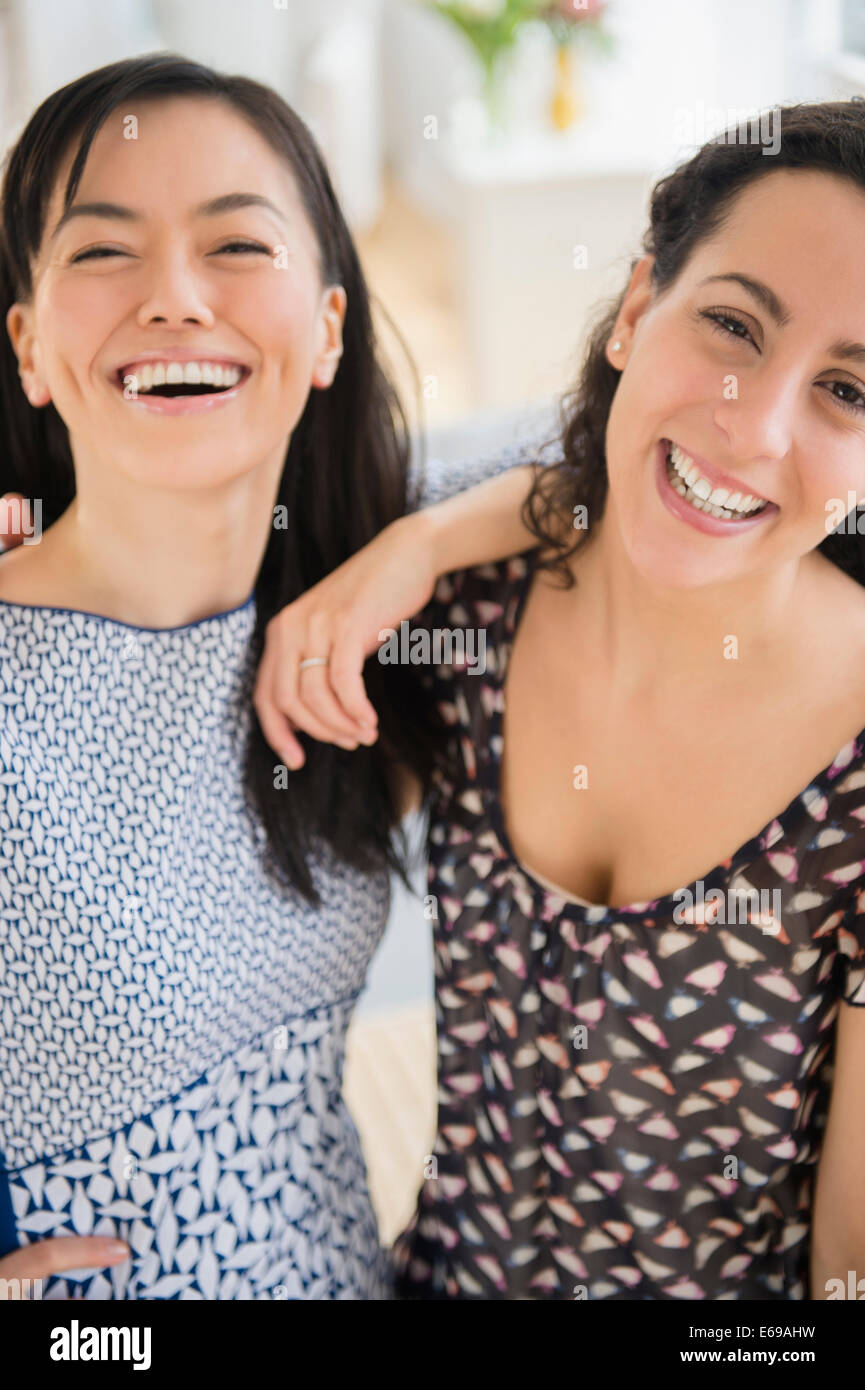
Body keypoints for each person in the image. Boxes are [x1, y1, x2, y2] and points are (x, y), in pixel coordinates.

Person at [250, 99, 865, 1299]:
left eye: (851, 391)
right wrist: (416, 543)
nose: (754, 424)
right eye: (733, 322)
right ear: (638, 309)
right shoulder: (474, 602)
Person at [0, 52, 558, 1300]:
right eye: (102, 252)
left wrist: (416, 546)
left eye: (237, 246)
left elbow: (669, 443)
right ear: (32, 350)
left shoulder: (358, 585)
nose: (175, 296)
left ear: (326, 329)